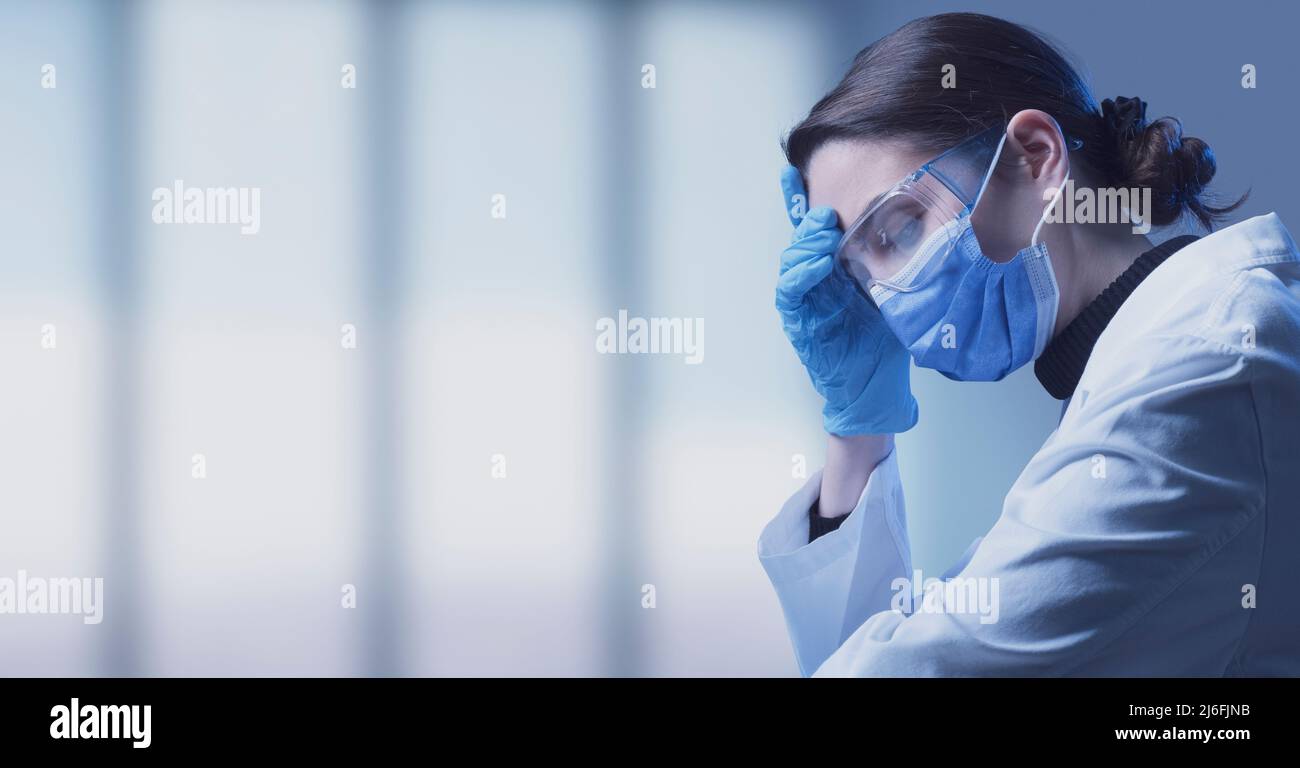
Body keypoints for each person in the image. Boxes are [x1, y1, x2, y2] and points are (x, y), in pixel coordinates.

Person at [759, 12, 1300, 676]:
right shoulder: (1128, 373)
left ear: (1035, 156)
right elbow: (879, 646)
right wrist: (858, 426)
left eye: (898, 230)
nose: (888, 302)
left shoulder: (1204, 363)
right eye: (860, 276)